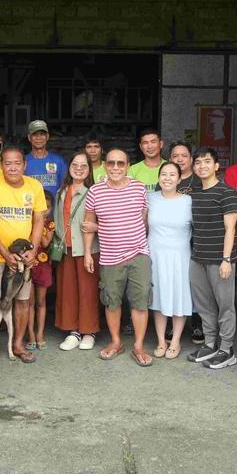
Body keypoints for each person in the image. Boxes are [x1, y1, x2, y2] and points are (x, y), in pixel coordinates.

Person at [82, 148, 153, 366]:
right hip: (110, 257)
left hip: (139, 254)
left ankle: (139, 346)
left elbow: (143, 220)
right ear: (104, 165)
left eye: (120, 163)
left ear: (128, 166)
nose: (115, 167)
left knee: (140, 302)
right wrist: (87, 253)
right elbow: (88, 225)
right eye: (111, 163)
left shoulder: (139, 188)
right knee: (112, 302)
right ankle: (116, 342)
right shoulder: (95, 191)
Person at [0, 144, 47, 367]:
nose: (13, 168)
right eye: (8, 163)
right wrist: (4, 253)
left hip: (24, 257)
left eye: (18, 163)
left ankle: (18, 345)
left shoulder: (35, 186)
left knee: (23, 300)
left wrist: (33, 250)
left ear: (24, 164)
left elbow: (38, 220)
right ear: (0, 164)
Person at [185, 147, 237, 369]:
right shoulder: (193, 194)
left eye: (207, 161)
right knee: (204, 305)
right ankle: (209, 343)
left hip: (220, 260)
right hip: (197, 257)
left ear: (217, 166)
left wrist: (226, 259)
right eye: (197, 162)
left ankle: (227, 348)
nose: (202, 166)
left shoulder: (226, 192)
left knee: (225, 305)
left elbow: (231, 229)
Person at [54, 152, 101, 351]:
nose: (79, 168)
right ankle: (73, 331)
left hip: (87, 249)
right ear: (69, 166)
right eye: (75, 164)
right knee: (68, 291)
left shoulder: (94, 192)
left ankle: (89, 331)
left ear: (89, 170)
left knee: (88, 291)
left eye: (84, 165)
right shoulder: (61, 191)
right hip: (66, 249)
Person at [147, 162, 193, 360]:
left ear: (179, 179)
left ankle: (175, 341)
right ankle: (160, 340)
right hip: (155, 253)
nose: (167, 178)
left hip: (180, 255)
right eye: (163, 174)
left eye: (172, 174)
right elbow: (141, 226)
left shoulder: (188, 201)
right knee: (158, 295)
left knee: (179, 295)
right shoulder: (150, 199)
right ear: (158, 178)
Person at [169, 141, 205, 344]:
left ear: (191, 159)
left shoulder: (200, 180)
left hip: (197, 240)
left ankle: (197, 323)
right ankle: (170, 323)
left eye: (184, 155)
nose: (180, 159)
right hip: (174, 241)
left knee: (195, 283)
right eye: (175, 156)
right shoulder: (167, 179)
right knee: (174, 282)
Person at [25, 190, 55, 351]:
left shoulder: (49, 224)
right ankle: (30, 334)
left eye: (47, 207)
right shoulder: (27, 221)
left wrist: (39, 223)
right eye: (41, 207)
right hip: (29, 265)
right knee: (29, 302)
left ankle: (40, 334)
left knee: (41, 302)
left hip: (43, 267)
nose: (44, 210)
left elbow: (45, 242)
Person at [24, 120, 67, 198]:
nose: (39, 138)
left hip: (54, 209)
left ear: (47, 136)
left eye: (42, 134)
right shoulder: (23, 162)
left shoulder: (58, 161)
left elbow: (65, 188)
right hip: (31, 208)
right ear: (29, 138)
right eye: (35, 135)